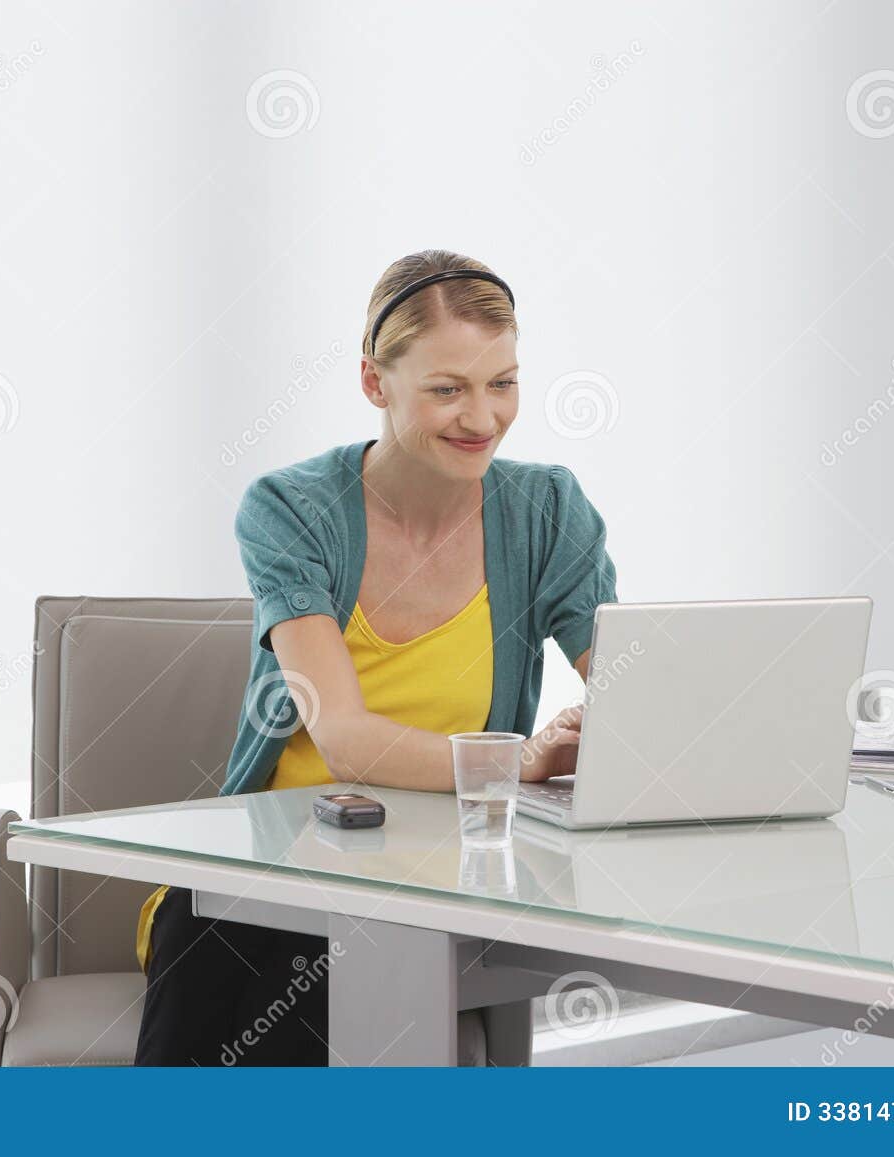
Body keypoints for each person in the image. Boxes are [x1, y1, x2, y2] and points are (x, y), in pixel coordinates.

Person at [133, 248, 618, 1066]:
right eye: (447, 388)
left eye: (502, 382)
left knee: (335, 971)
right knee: (251, 954)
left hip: (438, 886)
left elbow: (636, 691)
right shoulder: (291, 509)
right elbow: (345, 739)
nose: (483, 417)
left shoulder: (549, 512)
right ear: (373, 382)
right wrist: (521, 763)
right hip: (273, 865)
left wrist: (609, 728)